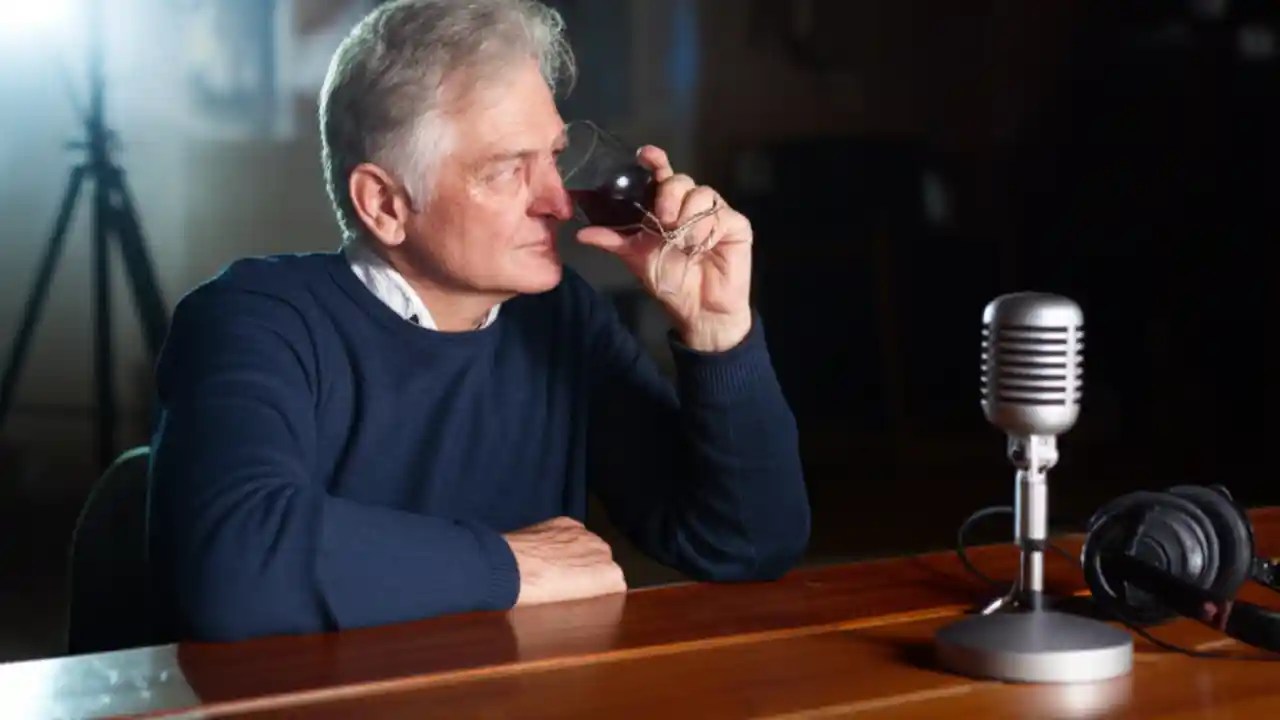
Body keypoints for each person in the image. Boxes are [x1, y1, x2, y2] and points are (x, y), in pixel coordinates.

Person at [146, 0, 809, 642]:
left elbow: (749, 543)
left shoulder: (558, 318)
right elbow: (232, 571)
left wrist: (720, 333)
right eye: (504, 171)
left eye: (552, 155)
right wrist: (512, 565)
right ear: (383, 202)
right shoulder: (255, 319)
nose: (557, 202)